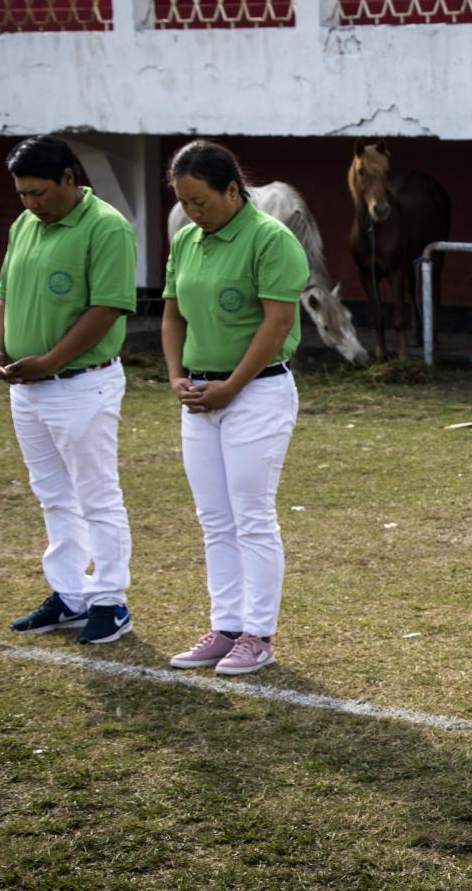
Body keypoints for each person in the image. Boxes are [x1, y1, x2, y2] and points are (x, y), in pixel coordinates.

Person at [161, 140, 308, 677]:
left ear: (232, 189)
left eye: (200, 201)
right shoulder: (186, 240)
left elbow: (278, 323)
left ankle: (258, 636)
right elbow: (173, 316)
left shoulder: (270, 239)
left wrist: (232, 385)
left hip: (257, 394)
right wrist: (177, 376)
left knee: (252, 516)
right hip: (201, 397)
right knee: (215, 519)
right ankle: (225, 626)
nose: (192, 213)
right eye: (183, 202)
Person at [0, 136, 139, 645]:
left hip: (82, 385)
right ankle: (70, 595)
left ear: (70, 179)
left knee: (97, 496)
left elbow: (108, 308)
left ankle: (111, 601)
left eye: (39, 192)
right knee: (53, 494)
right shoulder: (24, 224)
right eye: (22, 194)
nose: (31, 203)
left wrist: (50, 361)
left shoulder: (107, 227)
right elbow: (4, 296)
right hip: (27, 388)